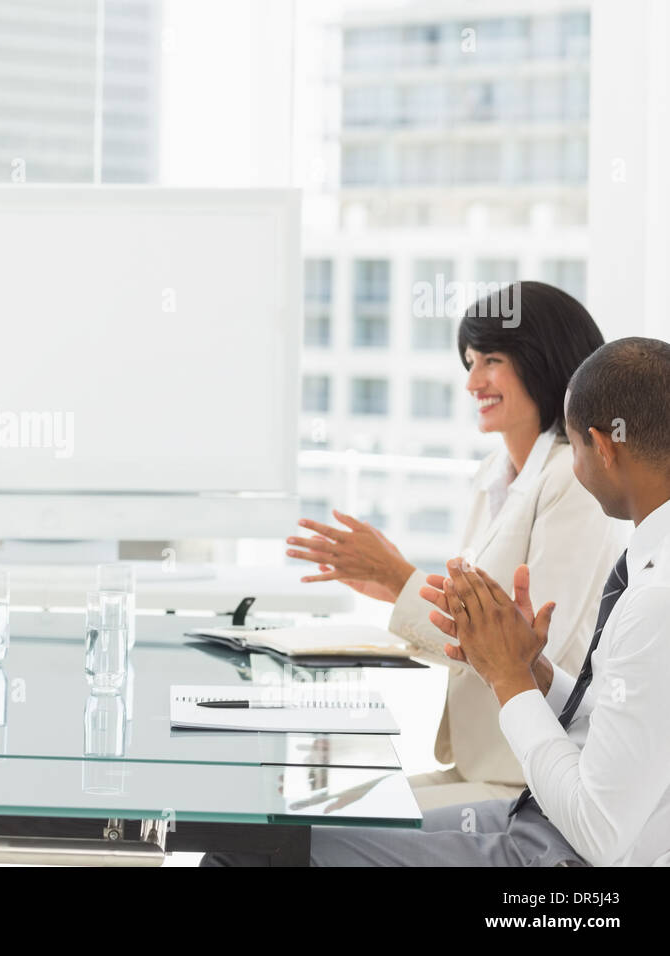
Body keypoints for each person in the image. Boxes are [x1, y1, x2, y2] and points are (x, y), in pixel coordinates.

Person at [204, 336, 670, 867]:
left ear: (602, 446)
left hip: (558, 855)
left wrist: (507, 676)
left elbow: (600, 833)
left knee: (255, 851)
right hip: (537, 816)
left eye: (575, 444)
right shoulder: (650, 566)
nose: (474, 381)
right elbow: (621, 720)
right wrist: (530, 669)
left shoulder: (656, 600)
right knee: (261, 836)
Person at [285, 281, 626, 809]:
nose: (472, 382)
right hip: (479, 763)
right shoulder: (496, 475)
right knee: (314, 814)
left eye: (490, 359)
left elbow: (528, 644)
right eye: (469, 361)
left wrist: (402, 578)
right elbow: (474, 621)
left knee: (321, 831)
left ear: (544, 360)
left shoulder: (572, 481)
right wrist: (391, 586)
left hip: (529, 781)